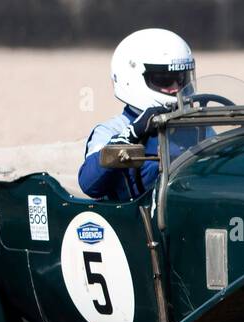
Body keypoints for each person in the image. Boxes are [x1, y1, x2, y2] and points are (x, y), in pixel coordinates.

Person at [78, 28, 208, 201]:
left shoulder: (195, 126)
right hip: (139, 222)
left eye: (181, 78)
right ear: (133, 78)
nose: (177, 88)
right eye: (165, 79)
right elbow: (89, 184)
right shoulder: (111, 130)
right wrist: (130, 134)